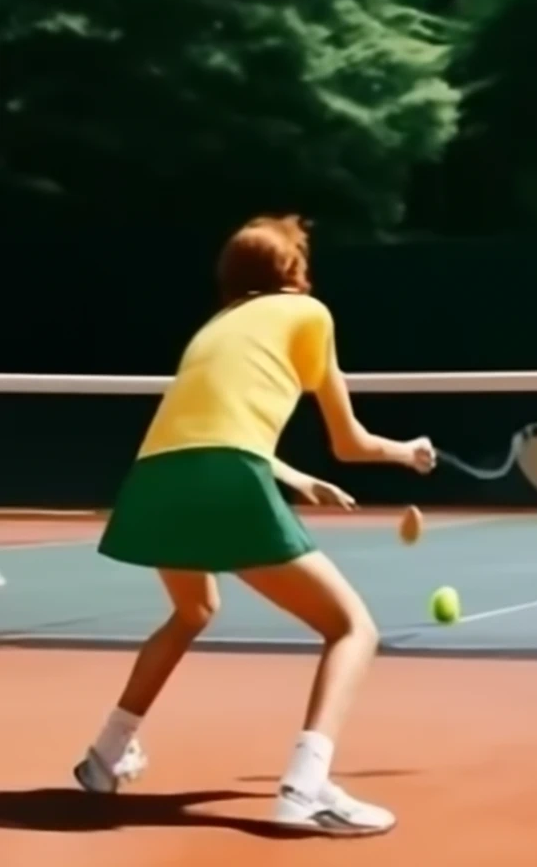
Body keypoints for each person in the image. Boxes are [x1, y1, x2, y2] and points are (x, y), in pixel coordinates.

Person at [72, 215, 436, 835]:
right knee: (352, 627)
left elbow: (206, 424)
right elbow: (349, 443)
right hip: (224, 475)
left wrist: (294, 478)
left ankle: (108, 752)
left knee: (192, 610)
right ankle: (306, 785)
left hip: (154, 480)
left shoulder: (212, 329)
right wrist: (409, 451)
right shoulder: (310, 313)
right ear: (294, 274)